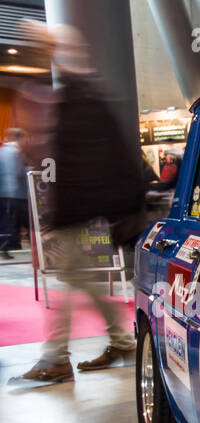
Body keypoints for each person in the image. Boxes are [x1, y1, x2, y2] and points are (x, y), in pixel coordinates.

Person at [12, 24, 148, 385]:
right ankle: (119, 341)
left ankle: (56, 358)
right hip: (89, 206)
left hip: (82, 207)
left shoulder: (75, 98)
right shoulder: (74, 94)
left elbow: (84, 161)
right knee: (77, 280)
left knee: (72, 280)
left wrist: (67, 209)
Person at [0, 129, 27, 258]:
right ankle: (5, 246)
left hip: (5, 192)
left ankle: (8, 246)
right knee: (19, 222)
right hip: (14, 193)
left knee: (10, 222)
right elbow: (18, 172)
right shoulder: (16, 152)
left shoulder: (3, 150)